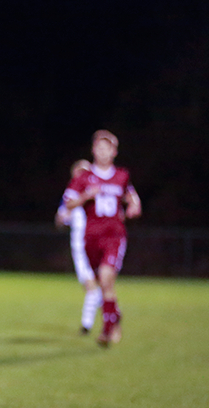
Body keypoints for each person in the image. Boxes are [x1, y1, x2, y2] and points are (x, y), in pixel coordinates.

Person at [63, 130, 141, 347]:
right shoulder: (84, 178)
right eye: (99, 147)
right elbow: (68, 203)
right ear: (93, 150)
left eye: (107, 147)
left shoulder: (121, 175)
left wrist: (134, 206)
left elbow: (132, 198)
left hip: (114, 237)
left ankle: (107, 330)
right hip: (90, 239)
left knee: (106, 280)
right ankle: (114, 314)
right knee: (101, 283)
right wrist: (86, 196)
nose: (103, 151)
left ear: (114, 152)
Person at [54, 159, 102, 334]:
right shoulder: (70, 197)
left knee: (94, 285)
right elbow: (60, 219)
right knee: (93, 285)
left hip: (98, 245)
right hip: (80, 247)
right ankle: (109, 314)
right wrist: (64, 214)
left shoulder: (98, 195)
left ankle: (87, 325)